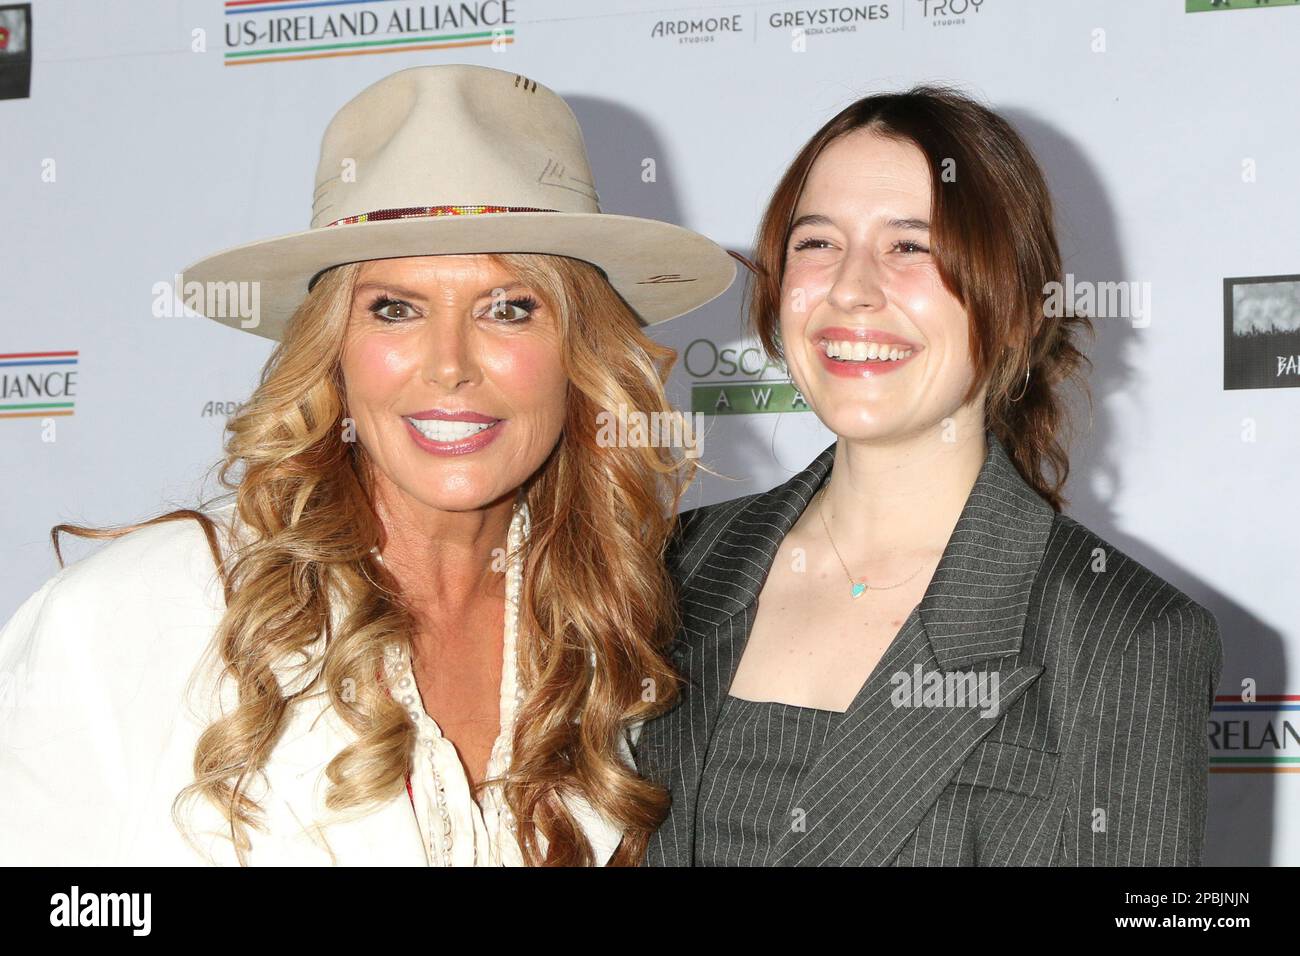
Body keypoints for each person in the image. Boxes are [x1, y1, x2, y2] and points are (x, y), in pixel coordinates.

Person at [0, 64, 735, 866]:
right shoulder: (132, 617)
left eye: (510, 307)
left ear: (578, 353)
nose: (449, 365)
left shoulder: (628, 638)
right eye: (395, 308)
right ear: (333, 352)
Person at [635, 85, 1222, 866]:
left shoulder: (1123, 636)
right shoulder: (668, 566)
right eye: (817, 243)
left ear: (1012, 301)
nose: (852, 288)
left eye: (910, 246)